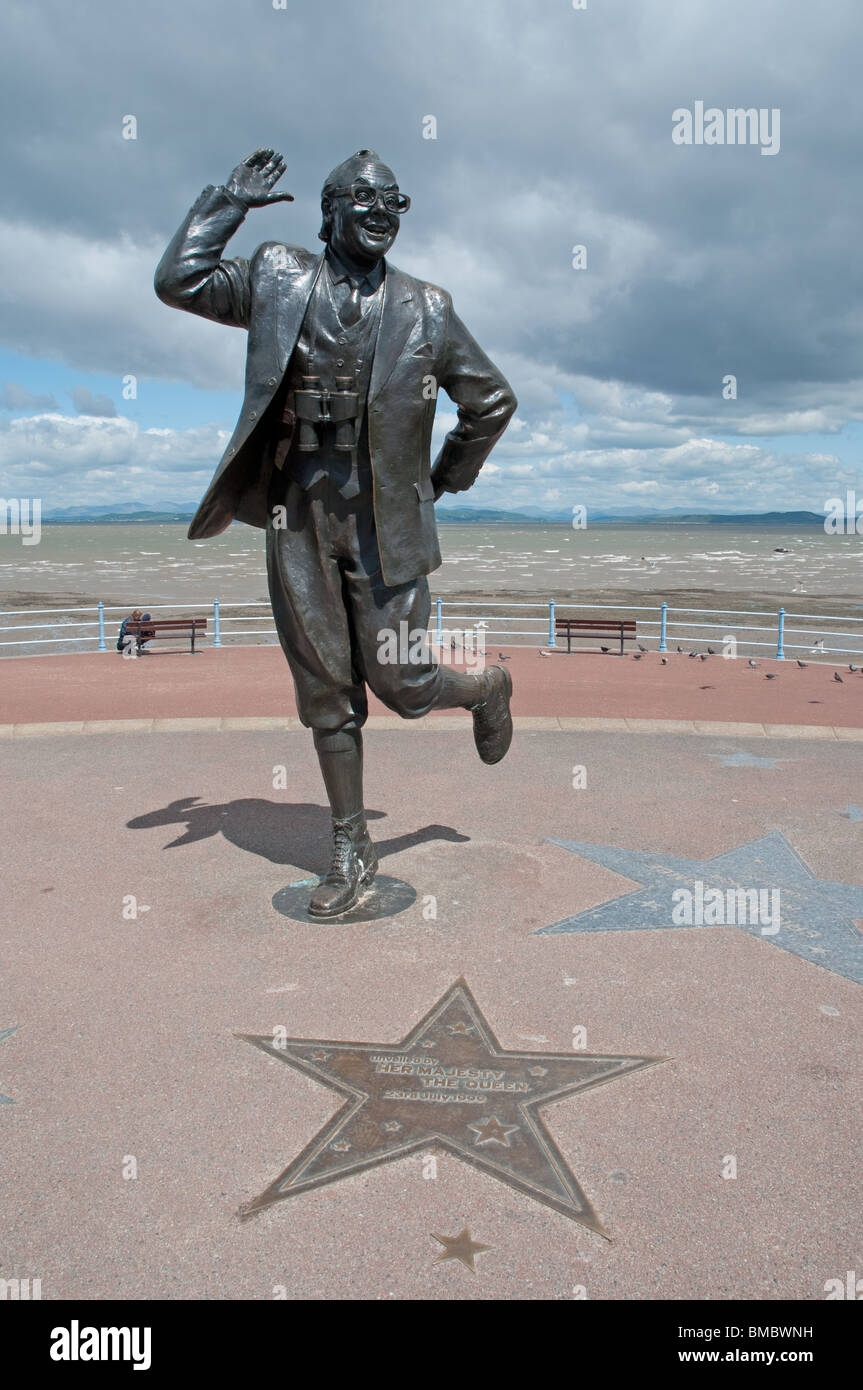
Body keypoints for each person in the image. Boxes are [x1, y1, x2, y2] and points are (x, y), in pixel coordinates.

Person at [155, 146, 517, 916]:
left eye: (394, 200)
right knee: (325, 686)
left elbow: (490, 401)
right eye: (362, 197)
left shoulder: (428, 307)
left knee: (404, 685)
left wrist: (442, 479)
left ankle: (486, 686)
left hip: (385, 521)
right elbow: (178, 281)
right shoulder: (279, 275)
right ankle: (349, 848)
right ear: (328, 211)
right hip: (298, 512)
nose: (380, 209)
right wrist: (228, 202)